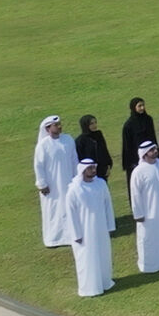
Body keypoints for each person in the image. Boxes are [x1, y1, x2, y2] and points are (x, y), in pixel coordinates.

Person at [66, 161, 114, 297]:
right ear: (82, 170)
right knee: (87, 259)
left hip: (101, 229)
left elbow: (107, 205)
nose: (93, 170)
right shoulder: (74, 189)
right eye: (90, 168)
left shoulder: (101, 184)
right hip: (84, 232)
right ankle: (89, 288)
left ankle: (105, 282)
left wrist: (110, 226)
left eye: (94, 167)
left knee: (103, 256)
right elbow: (71, 213)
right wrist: (76, 234)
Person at [127, 142, 159, 273]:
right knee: (149, 238)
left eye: (155, 149)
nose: (155, 151)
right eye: (151, 150)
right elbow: (135, 194)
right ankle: (149, 265)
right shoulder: (138, 172)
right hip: (148, 213)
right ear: (144, 154)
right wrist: (138, 214)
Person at [33, 116, 78, 247]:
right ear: (48, 128)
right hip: (52, 185)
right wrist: (42, 184)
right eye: (56, 125)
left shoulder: (68, 140)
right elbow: (38, 165)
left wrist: (77, 177)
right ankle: (54, 239)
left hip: (69, 181)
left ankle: (71, 236)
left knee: (70, 206)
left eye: (59, 124)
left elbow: (74, 159)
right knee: (53, 209)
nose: (59, 127)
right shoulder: (43, 145)